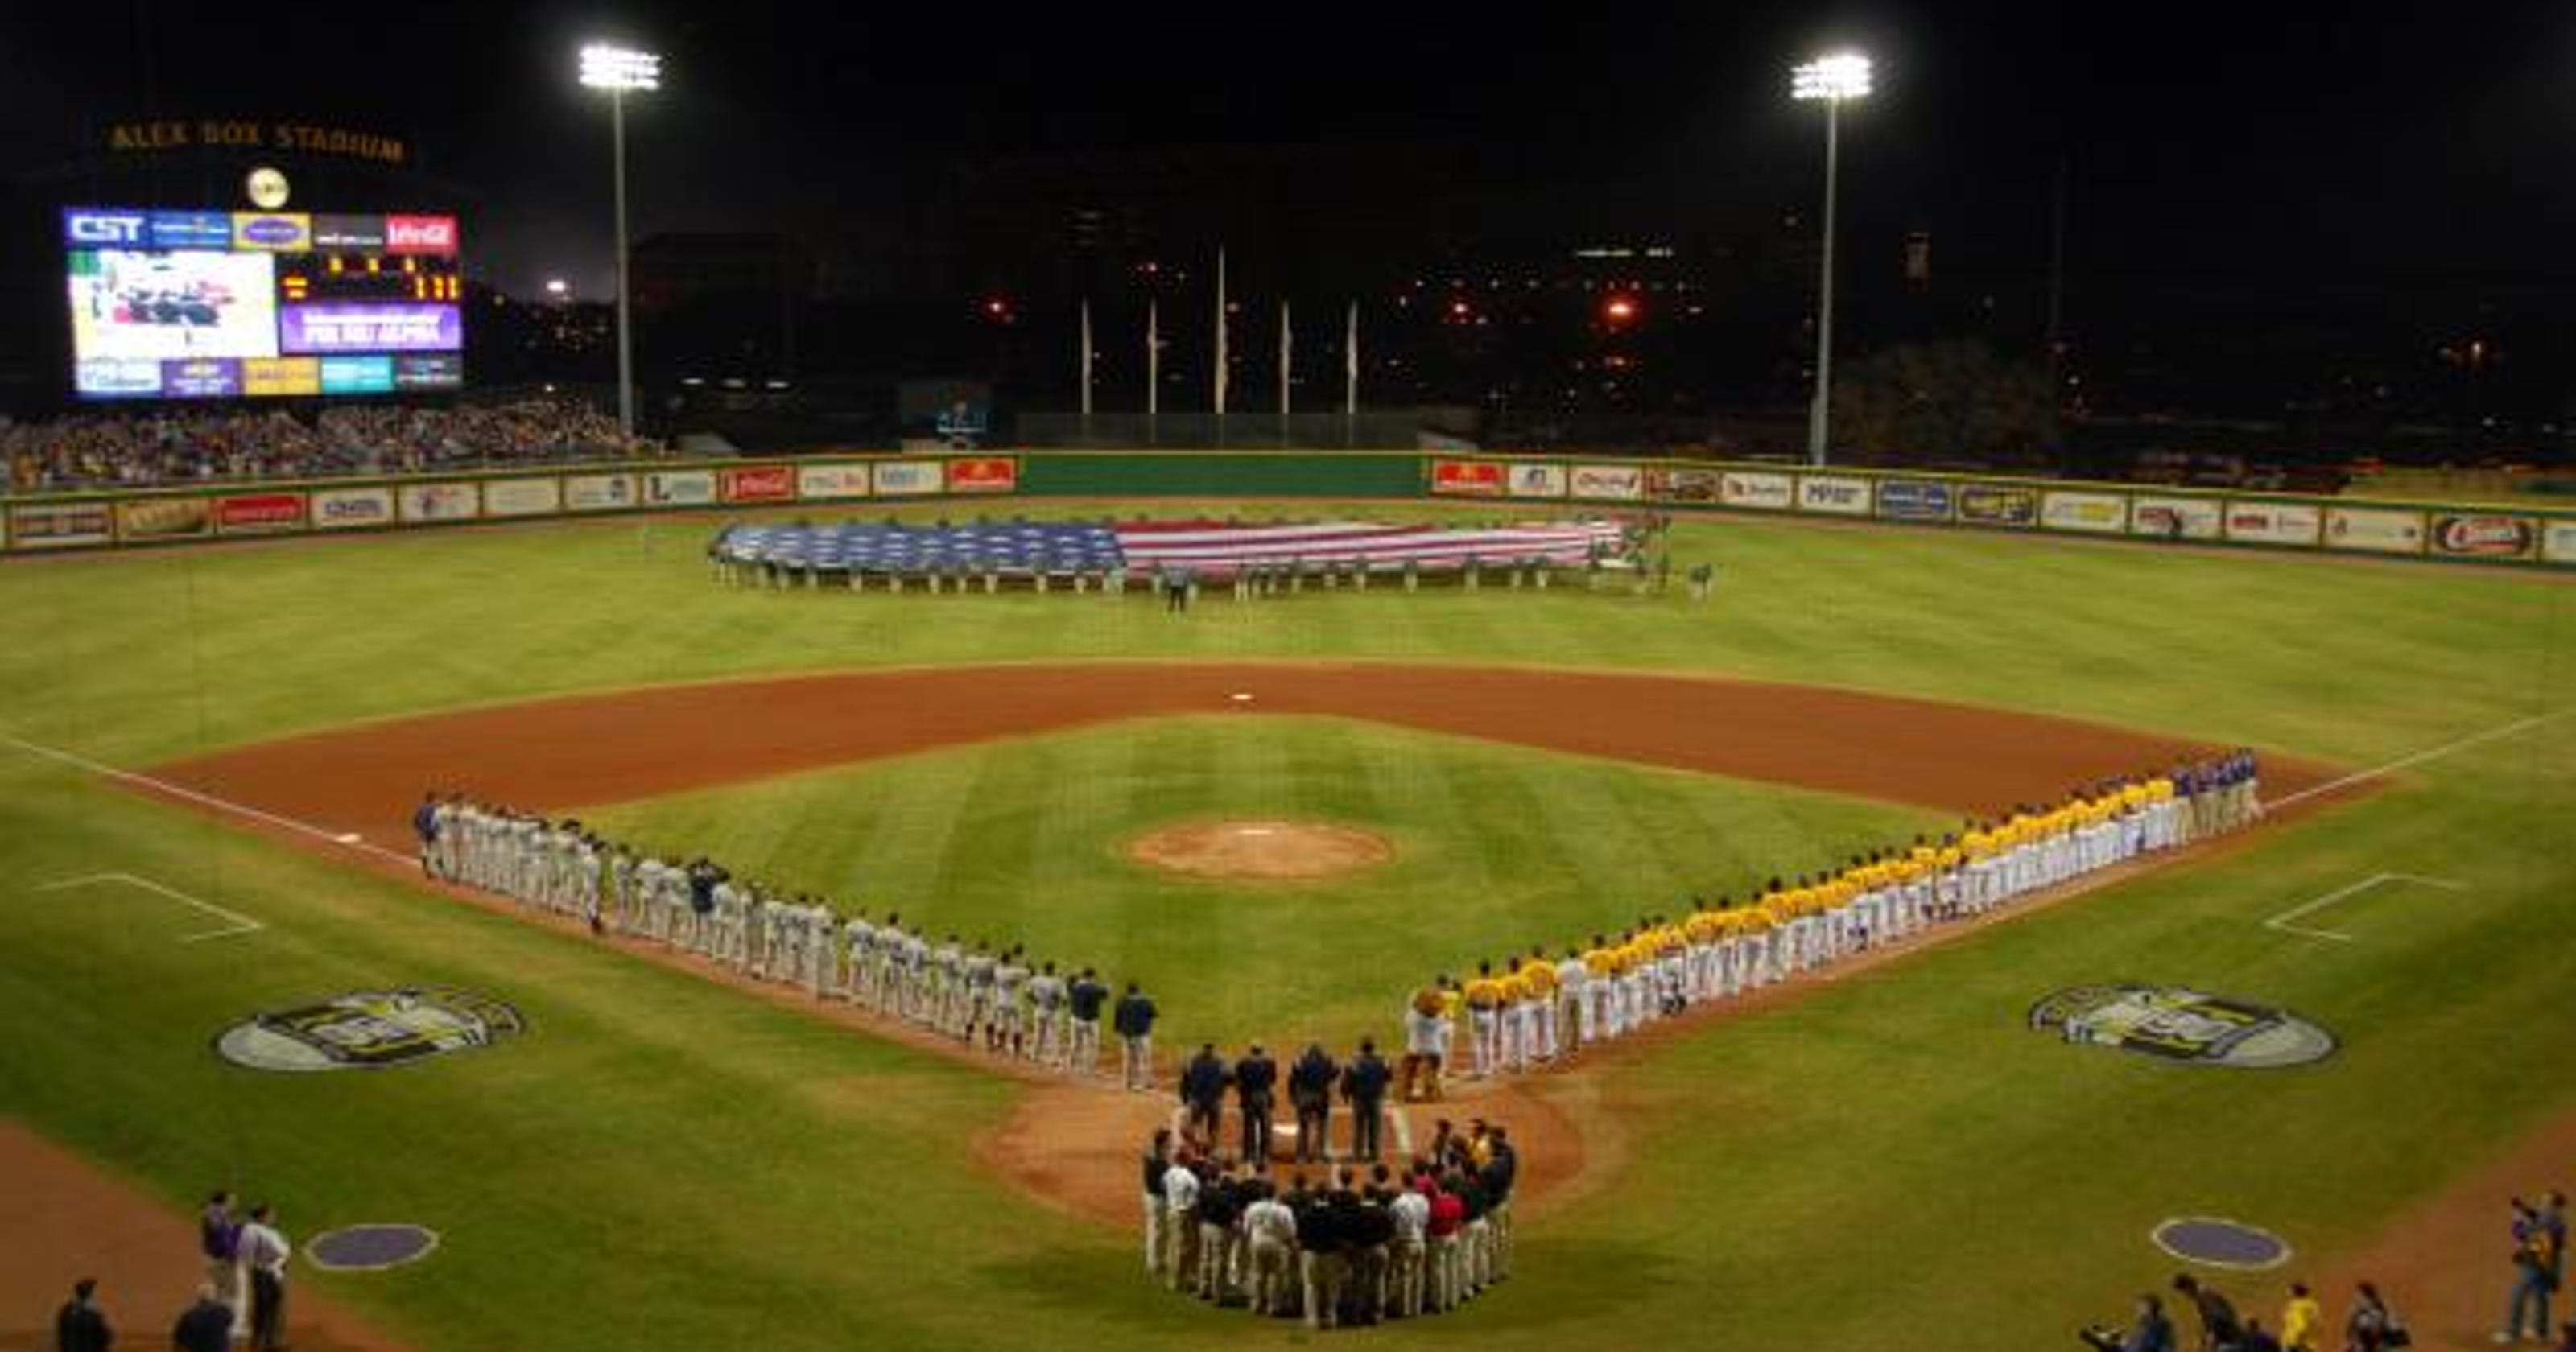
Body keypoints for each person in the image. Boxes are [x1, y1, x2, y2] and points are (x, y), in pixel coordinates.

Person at [238, 1203, 291, 1352]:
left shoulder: (249, 1230)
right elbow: (282, 1252)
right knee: (272, 1307)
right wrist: (284, 1243)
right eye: (270, 1215)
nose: (273, 1217)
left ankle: (258, 1341)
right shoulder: (267, 1234)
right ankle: (271, 1342)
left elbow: (244, 1253)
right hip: (270, 1274)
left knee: (262, 1307)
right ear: (262, 1217)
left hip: (259, 1272)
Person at [2508, 1197, 2561, 1344]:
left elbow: (2522, 1233)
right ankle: (2541, 1332)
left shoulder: (2549, 1223)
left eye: (2545, 1202)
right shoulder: (2553, 1219)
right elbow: (2536, 1217)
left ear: (2553, 1206)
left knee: (2518, 1294)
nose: (2542, 1204)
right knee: (2540, 1296)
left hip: (2539, 1265)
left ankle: (2513, 1332)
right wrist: (2523, 1208)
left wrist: (2517, 1220)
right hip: (2546, 1265)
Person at [198, 1189, 242, 1332]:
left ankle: (213, 1324)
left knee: (219, 1291)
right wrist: (232, 1253)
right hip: (220, 1258)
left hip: (215, 1257)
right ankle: (227, 1326)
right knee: (227, 1292)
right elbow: (220, 1235)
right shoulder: (216, 1215)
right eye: (232, 1200)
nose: (235, 1203)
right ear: (224, 1201)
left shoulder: (216, 1214)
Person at [1288, 1043, 1340, 1164]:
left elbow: (1293, 1078)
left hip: (1305, 1098)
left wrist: (1293, 1096)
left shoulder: (1302, 1062)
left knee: (1303, 1126)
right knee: (1321, 1127)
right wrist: (1330, 1061)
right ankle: (1319, 1156)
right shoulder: (1326, 1062)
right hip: (1321, 1098)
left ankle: (1301, 1156)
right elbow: (1336, 1073)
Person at [1342, 1039, 1393, 1160]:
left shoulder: (1354, 1062)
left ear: (1361, 1049)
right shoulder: (1382, 1061)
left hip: (1359, 1099)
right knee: (1375, 1127)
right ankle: (1374, 1154)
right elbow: (1389, 1077)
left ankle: (1357, 1155)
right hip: (1376, 1099)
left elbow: (1347, 1081)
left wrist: (1346, 1096)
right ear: (1373, 1049)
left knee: (1359, 1127)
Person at [1234, 1043, 1278, 1167]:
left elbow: (1238, 1081)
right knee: (1265, 1126)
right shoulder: (1269, 1062)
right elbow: (1273, 1079)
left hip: (1249, 1097)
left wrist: (1243, 1093)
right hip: (1263, 1096)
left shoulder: (1243, 1062)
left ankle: (1248, 1155)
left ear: (1251, 1051)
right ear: (1261, 1051)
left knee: (1249, 1127)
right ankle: (1265, 1155)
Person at [2174, 1273, 2244, 1352]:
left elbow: (2219, 1317)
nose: (2185, 1296)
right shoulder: (2199, 1297)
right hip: (2224, 1336)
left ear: (2187, 1287)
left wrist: (2212, 1336)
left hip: (2228, 1337)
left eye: (2184, 1292)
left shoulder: (2204, 1295)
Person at [2082, 1293, 2176, 1352]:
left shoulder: (2155, 1327)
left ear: (2149, 1309)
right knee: (2112, 1345)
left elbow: (2143, 1346)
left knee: (2110, 1347)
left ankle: (2095, 1339)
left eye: (2142, 1307)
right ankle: (2096, 1338)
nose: (2138, 1309)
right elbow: (2135, 1341)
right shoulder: (2149, 1322)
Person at [1180, 1043, 1229, 1144]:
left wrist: (1185, 1098)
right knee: (1213, 1128)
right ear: (1212, 1050)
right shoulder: (1220, 1062)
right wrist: (1222, 1092)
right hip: (1213, 1100)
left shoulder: (1194, 1062)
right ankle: (1212, 1150)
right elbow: (1229, 1078)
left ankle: (1196, 1149)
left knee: (1197, 1125)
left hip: (1198, 1099)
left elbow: (1185, 1081)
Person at [1141, 1127, 1173, 1277]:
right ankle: (1153, 1264)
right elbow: (1162, 1184)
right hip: (1157, 1198)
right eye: (1169, 1140)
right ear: (1163, 1142)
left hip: (1150, 1196)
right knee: (1157, 1231)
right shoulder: (1159, 1161)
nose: (1171, 1142)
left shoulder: (1151, 1155)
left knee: (1157, 1230)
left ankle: (1157, 1260)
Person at [1113, 982, 1158, 1091]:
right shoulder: (1146, 1001)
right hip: (1142, 1035)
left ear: (1127, 991)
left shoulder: (1121, 1001)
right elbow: (1153, 1015)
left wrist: (1118, 1031)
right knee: (1144, 1058)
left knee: (1128, 1058)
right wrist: (1149, 1002)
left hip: (1127, 1035)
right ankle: (1143, 1083)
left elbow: (1118, 1018)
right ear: (1138, 991)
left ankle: (1127, 1082)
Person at [2346, 1280, 2407, 1351]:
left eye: (2360, 1298)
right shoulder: (2356, 1315)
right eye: (2356, 1299)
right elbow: (2350, 1336)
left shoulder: (2383, 1313)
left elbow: (2399, 1336)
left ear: (2369, 1299)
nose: (2357, 1301)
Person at [170, 1285, 232, 1352]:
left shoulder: (190, 1315)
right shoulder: (223, 1313)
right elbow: (229, 1320)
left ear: (198, 1298)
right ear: (213, 1298)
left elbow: (178, 1336)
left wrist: (191, 1344)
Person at [56, 1277, 110, 1352]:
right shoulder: (91, 1316)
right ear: (90, 1296)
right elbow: (106, 1337)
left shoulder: (67, 1312)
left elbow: (62, 1337)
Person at [2282, 1281, 2325, 1352]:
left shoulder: (2296, 1308)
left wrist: (2295, 1342)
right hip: (2310, 1344)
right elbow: (2319, 1326)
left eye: (2290, 1291)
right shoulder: (2312, 1306)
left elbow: (2302, 1327)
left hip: (2296, 1345)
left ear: (2294, 1293)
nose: (2288, 1293)